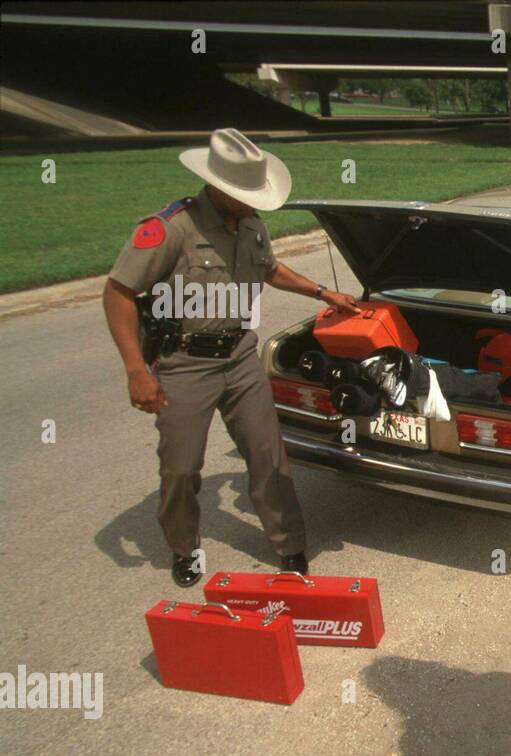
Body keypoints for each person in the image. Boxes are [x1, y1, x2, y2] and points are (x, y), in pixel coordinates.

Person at [102, 128, 358, 587]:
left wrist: (323, 292)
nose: (255, 201)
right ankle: (184, 549)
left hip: (240, 356)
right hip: (184, 364)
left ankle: (290, 545)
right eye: (246, 193)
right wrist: (136, 371)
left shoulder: (252, 225)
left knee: (268, 456)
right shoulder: (171, 228)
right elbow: (119, 291)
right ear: (218, 186)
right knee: (180, 467)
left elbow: (271, 269)